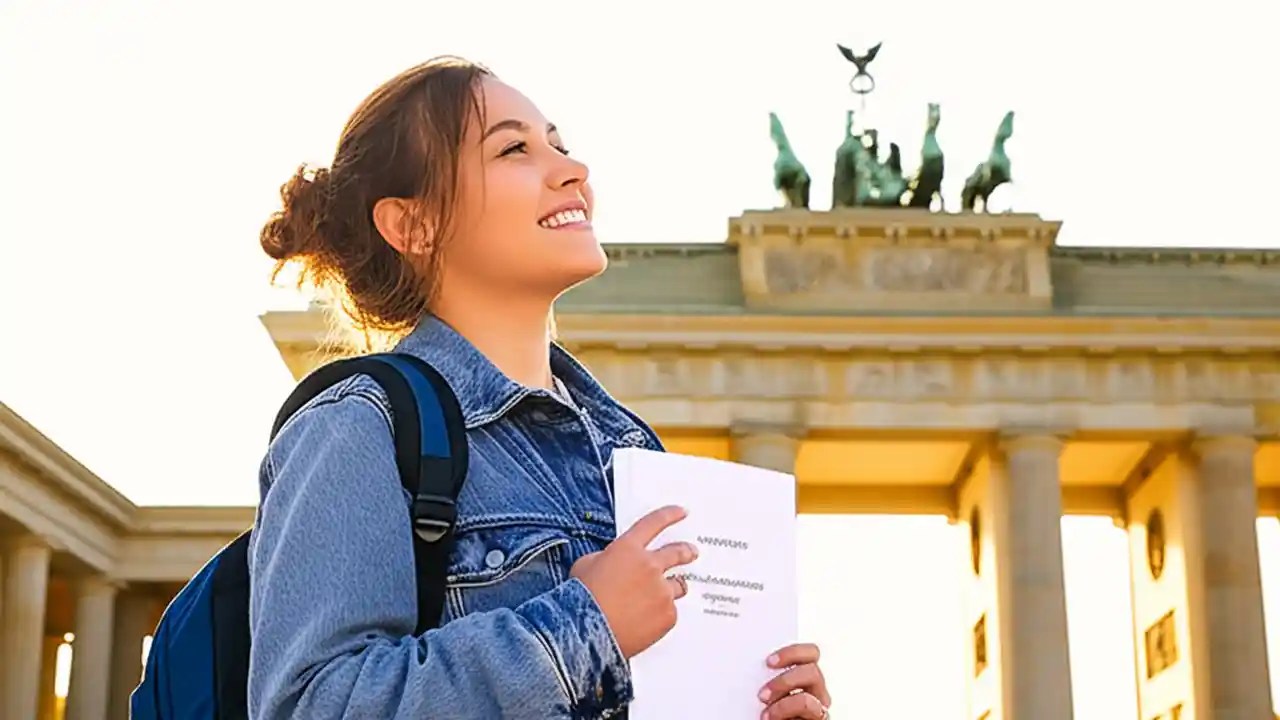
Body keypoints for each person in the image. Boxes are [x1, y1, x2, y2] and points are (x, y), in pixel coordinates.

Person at [250, 55, 832, 719]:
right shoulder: (359, 425)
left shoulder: (629, 445)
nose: (572, 169)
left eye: (559, 143)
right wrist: (587, 626)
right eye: (515, 149)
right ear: (413, 226)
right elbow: (314, 706)